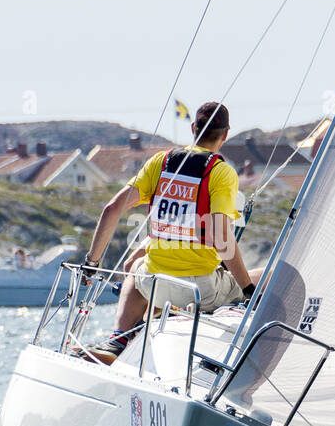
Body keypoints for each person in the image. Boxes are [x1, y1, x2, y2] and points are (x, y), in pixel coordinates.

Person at [79, 101, 262, 364]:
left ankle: (119, 339)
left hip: (153, 286)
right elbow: (221, 236)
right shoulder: (221, 173)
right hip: (199, 291)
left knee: (136, 264)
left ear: (193, 128)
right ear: (225, 134)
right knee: (266, 276)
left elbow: (111, 209)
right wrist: (247, 289)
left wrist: (92, 265)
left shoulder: (161, 162)